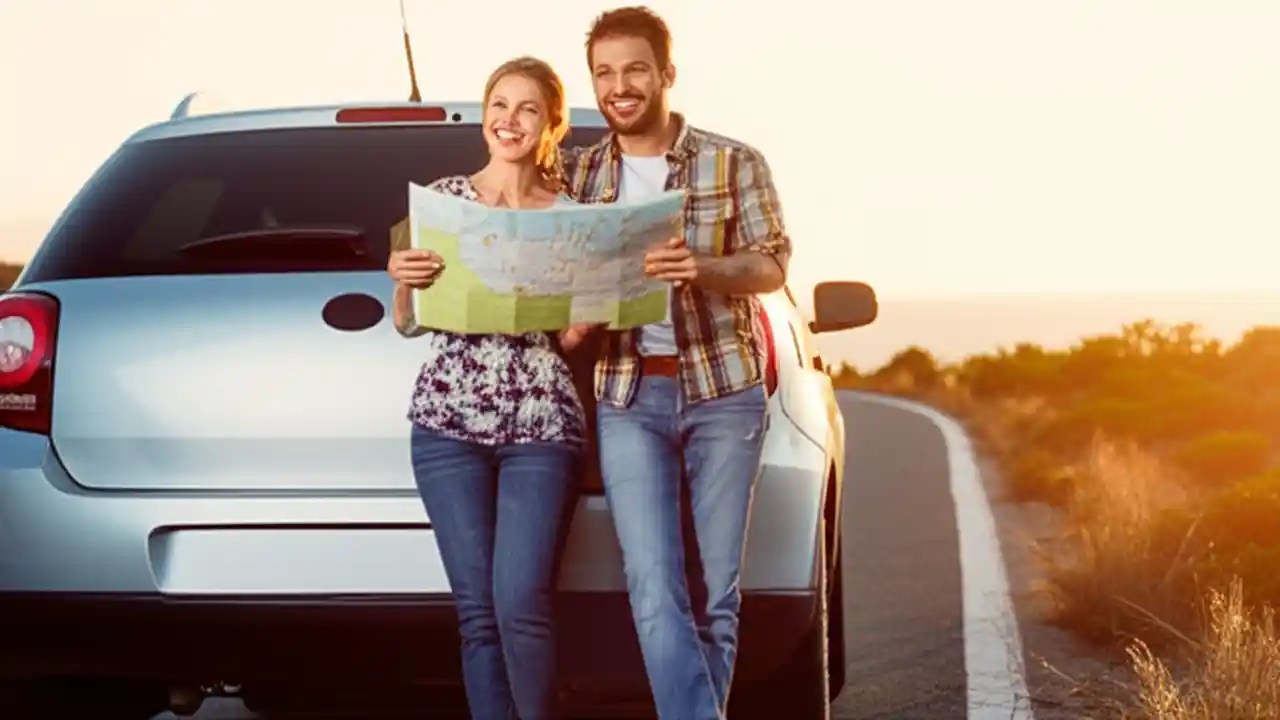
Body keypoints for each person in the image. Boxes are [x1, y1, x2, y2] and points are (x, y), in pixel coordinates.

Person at [561, 6, 792, 719]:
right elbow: (555, 287)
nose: (618, 86)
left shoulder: (734, 161)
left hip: (724, 392)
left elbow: (772, 264)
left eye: (634, 69)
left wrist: (703, 266)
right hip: (628, 397)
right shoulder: (578, 174)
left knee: (715, 592)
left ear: (667, 73)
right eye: (604, 72)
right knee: (653, 586)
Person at [386, 56, 593, 720]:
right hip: (447, 428)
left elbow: (568, 342)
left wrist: (584, 322)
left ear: (551, 125)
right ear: (484, 116)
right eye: (498, 105)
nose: (509, 120)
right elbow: (407, 322)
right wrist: (402, 279)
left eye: (527, 108)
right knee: (477, 614)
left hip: (541, 427)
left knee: (521, 605)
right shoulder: (443, 200)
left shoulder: (572, 215)